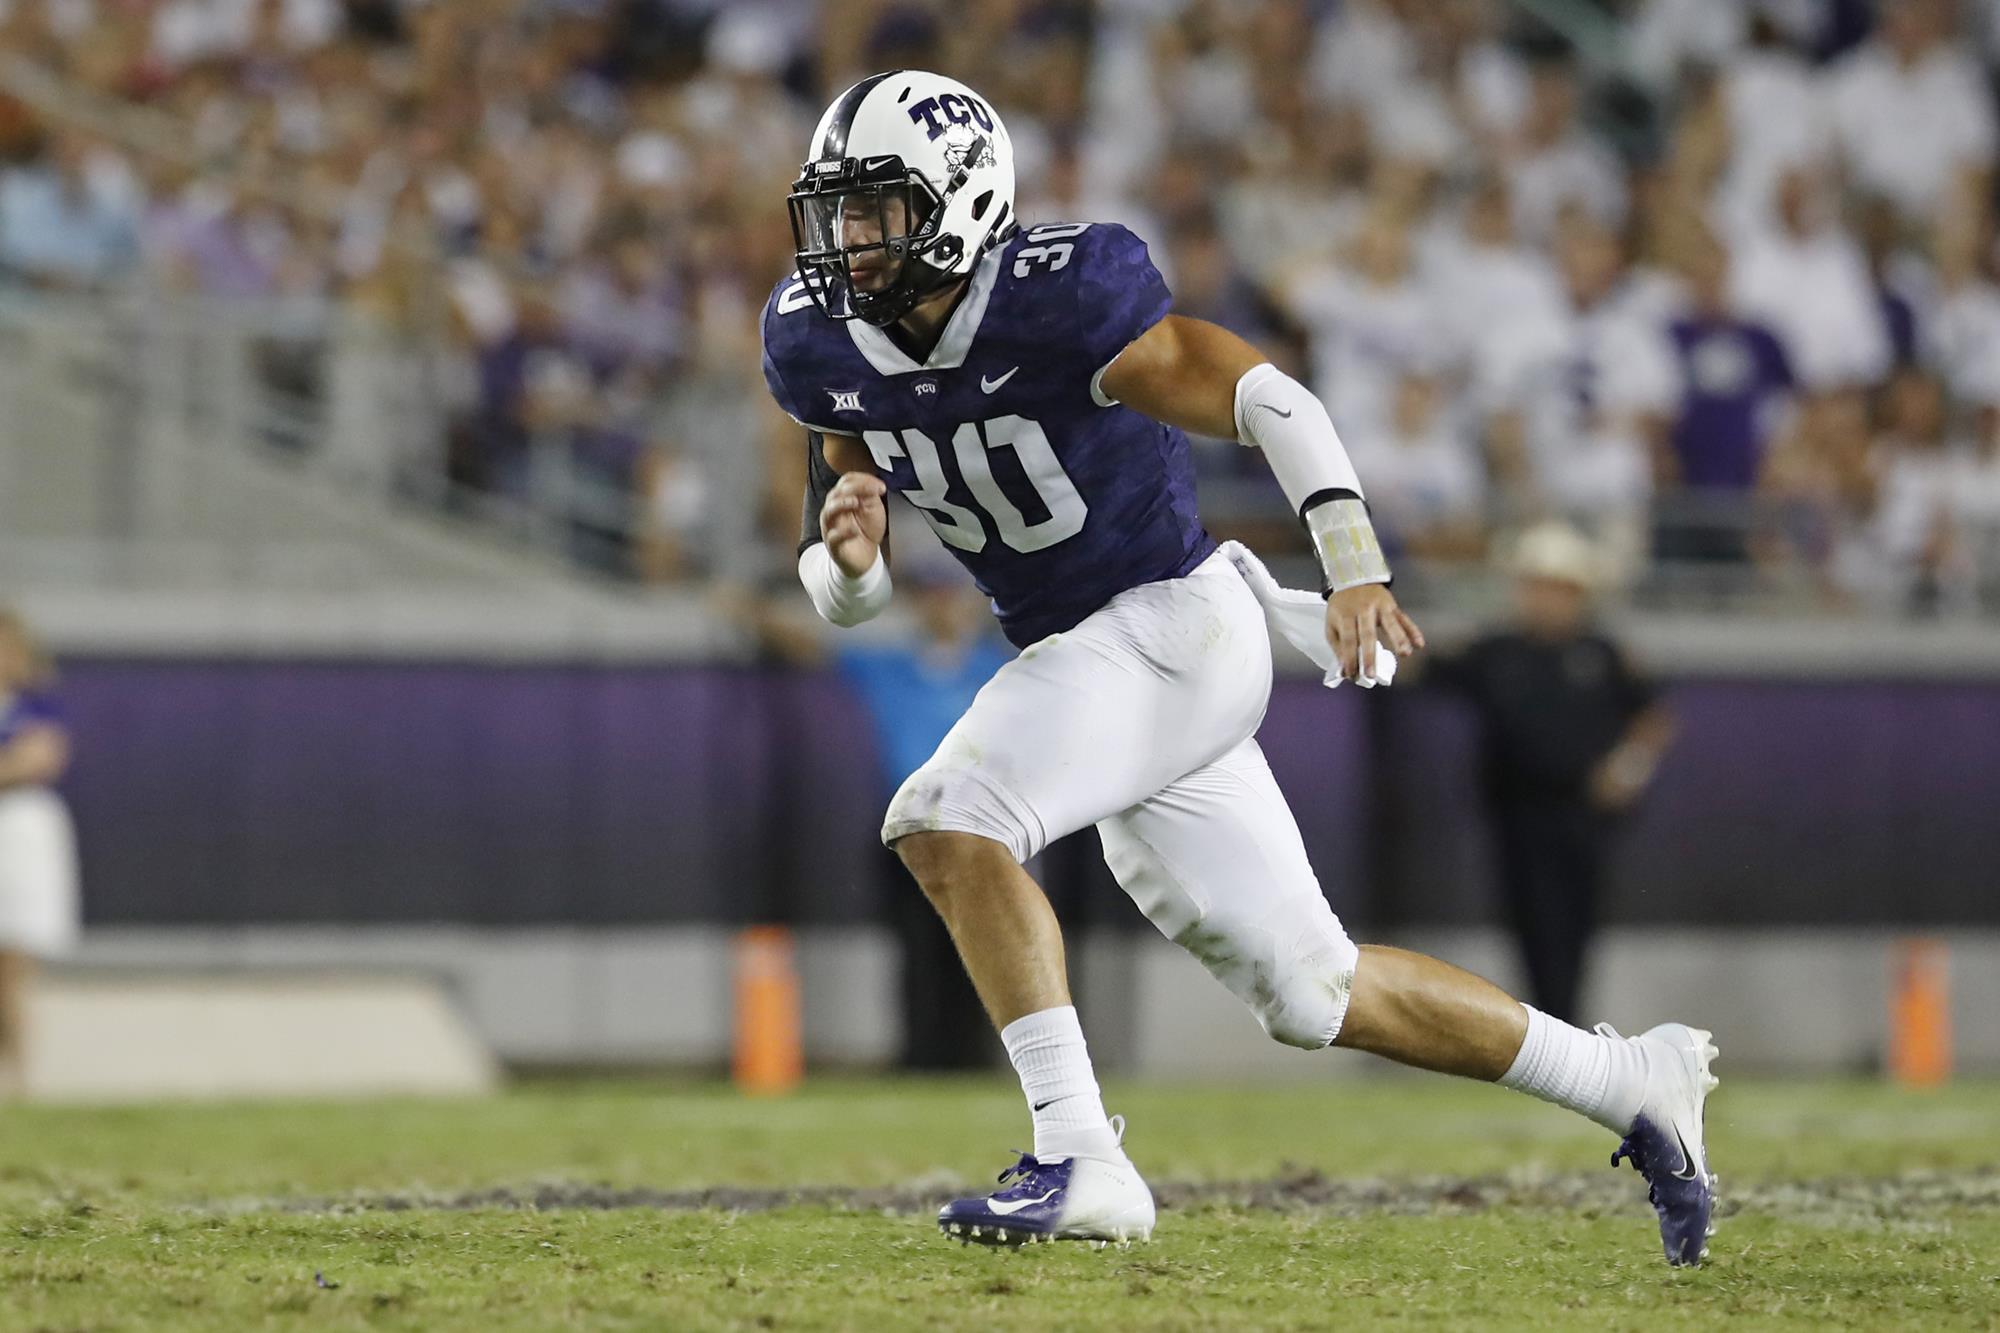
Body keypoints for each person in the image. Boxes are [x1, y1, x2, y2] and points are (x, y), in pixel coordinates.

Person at [761, 71, 1718, 1266]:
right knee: (1313, 990)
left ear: (957, 205)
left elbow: (1266, 393)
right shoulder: (813, 340)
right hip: (1094, 663)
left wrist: (1353, 558)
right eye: (838, 210)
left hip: (1172, 624)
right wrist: (848, 562)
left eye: (877, 209)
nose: (848, 240)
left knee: (948, 818)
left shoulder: (1059, 299)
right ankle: (1631, 1078)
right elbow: (844, 587)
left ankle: (1080, 1157)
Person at [1423, 525, 1676, 1026]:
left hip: (1583, 814)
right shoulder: (1496, 651)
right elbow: (1423, 667)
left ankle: (1570, 1027)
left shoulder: (1602, 654)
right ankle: (1550, 1030)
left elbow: (1652, 716)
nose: (1541, 599)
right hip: (1517, 811)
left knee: (1577, 924)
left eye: (1553, 587)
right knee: (1530, 923)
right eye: (1533, 585)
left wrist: (1626, 771)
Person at [0, 610, 81, 1098]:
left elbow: (38, 760)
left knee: (12, 961)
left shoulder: (37, 708)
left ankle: (21, 1079)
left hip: (18, 832)